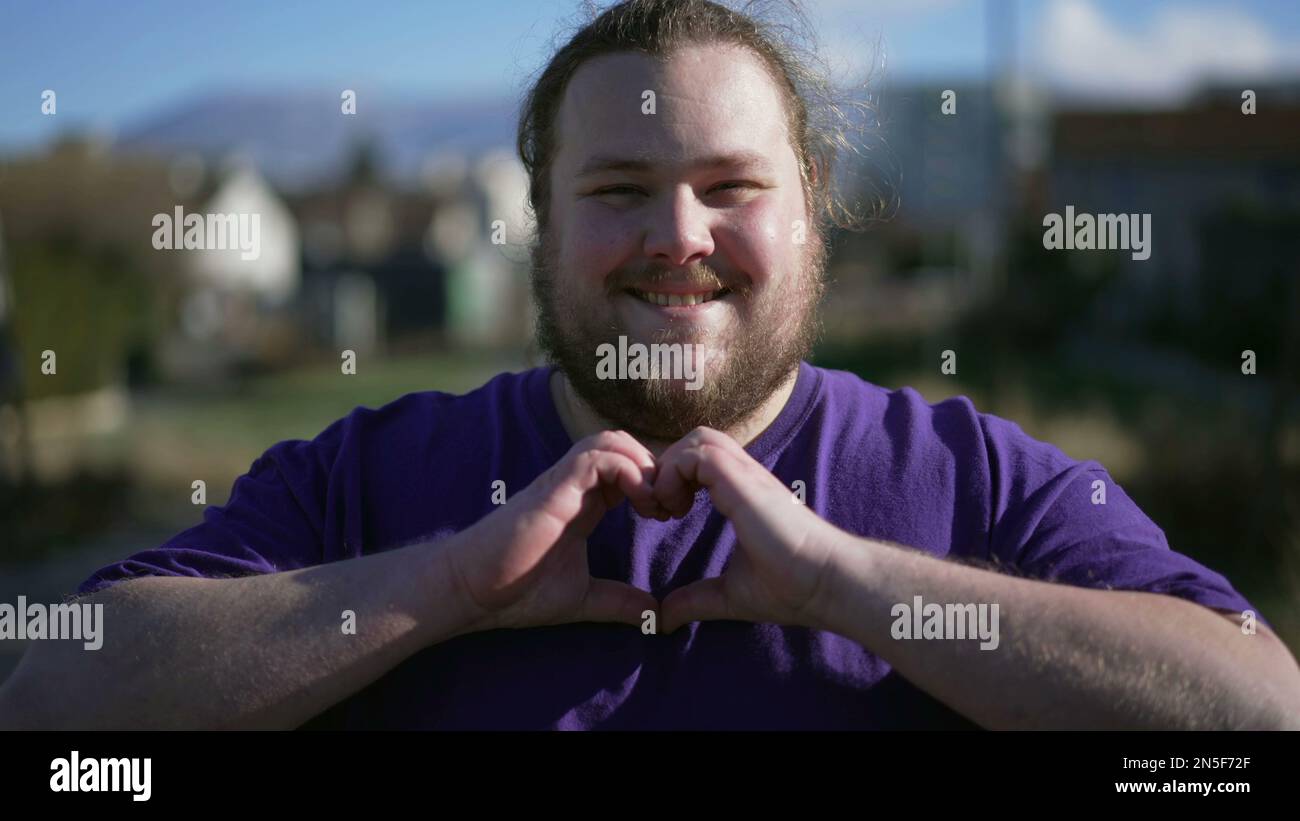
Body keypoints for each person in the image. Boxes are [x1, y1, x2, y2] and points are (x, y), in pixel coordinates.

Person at [2, 0, 1298, 730]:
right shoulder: (367, 477)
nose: (677, 237)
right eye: (620, 188)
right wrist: (444, 585)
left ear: (811, 207)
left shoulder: (979, 482)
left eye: (730, 186)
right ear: (545, 217)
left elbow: (1254, 713)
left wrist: (858, 586)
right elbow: (54, 700)